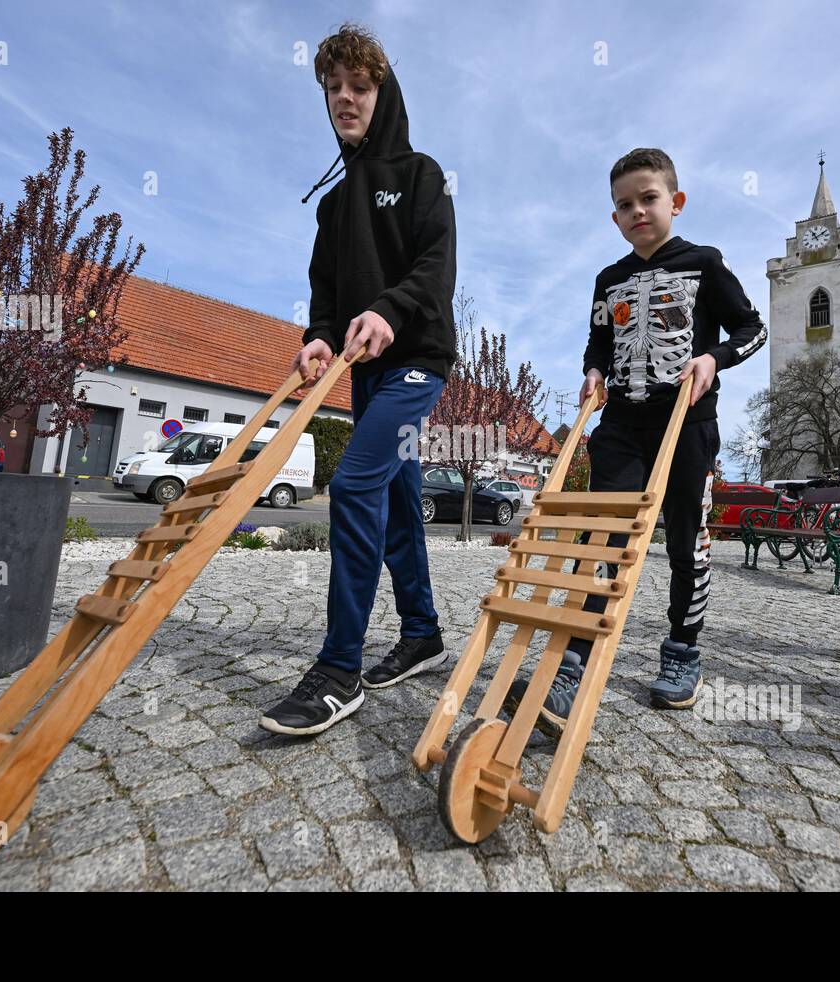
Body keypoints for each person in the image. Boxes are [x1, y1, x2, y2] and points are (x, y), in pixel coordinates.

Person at [508, 147, 767, 734]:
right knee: (600, 539)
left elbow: (754, 328)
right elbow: (597, 344)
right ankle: (573, 662)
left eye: (649, 198)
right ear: (614, 218)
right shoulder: (609, 279)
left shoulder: (705, 263)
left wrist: (713, 358)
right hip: (621, 426)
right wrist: (593, 373)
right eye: (624, 205)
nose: (638, 211)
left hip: (687, 425)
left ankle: (682, 653)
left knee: (686, 541)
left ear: (674, 202)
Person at [260, 24, 457, 736]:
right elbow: (324, 296)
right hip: (361, 373)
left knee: (353, 482)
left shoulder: (421, 177)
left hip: (416, 363)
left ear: (383, 92)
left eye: (359, 87)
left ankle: (340, 667)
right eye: (333, 89)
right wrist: (317, 338)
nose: (345, 99)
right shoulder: (333, 206)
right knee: (399, 501)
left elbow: (435, 272)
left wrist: (388, 310)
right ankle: (423, 633)